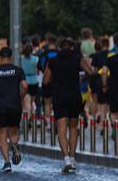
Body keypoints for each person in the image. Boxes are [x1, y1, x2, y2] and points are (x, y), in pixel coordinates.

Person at [42, 38, 91, 172]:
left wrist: (56, 80)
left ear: (59, 47)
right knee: (74, 127)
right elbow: (90, 71)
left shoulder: (52, 61)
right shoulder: (77, 59)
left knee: (61, 128)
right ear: (71, 47)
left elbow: (45, 81)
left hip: (59, 97)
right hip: (74, 96)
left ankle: (66, 159)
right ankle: (73, 157)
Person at [0, 46, 27, 172]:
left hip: (0, 106)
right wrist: (21, 97)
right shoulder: (18, 70)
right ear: (10, 57)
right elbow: (25, 86)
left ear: (0, 57)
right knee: (13, 131)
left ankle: (6, 162)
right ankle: (15, 146)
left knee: (2, 134)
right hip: (14, 105)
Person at [20, 41, 41, 115]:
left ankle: (28, 118)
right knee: (33, 101)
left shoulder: (21, 59)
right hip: (34, 81)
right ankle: (32, 116)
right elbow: (38, 71)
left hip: (25, 80)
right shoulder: (36, 59)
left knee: (27, 102)